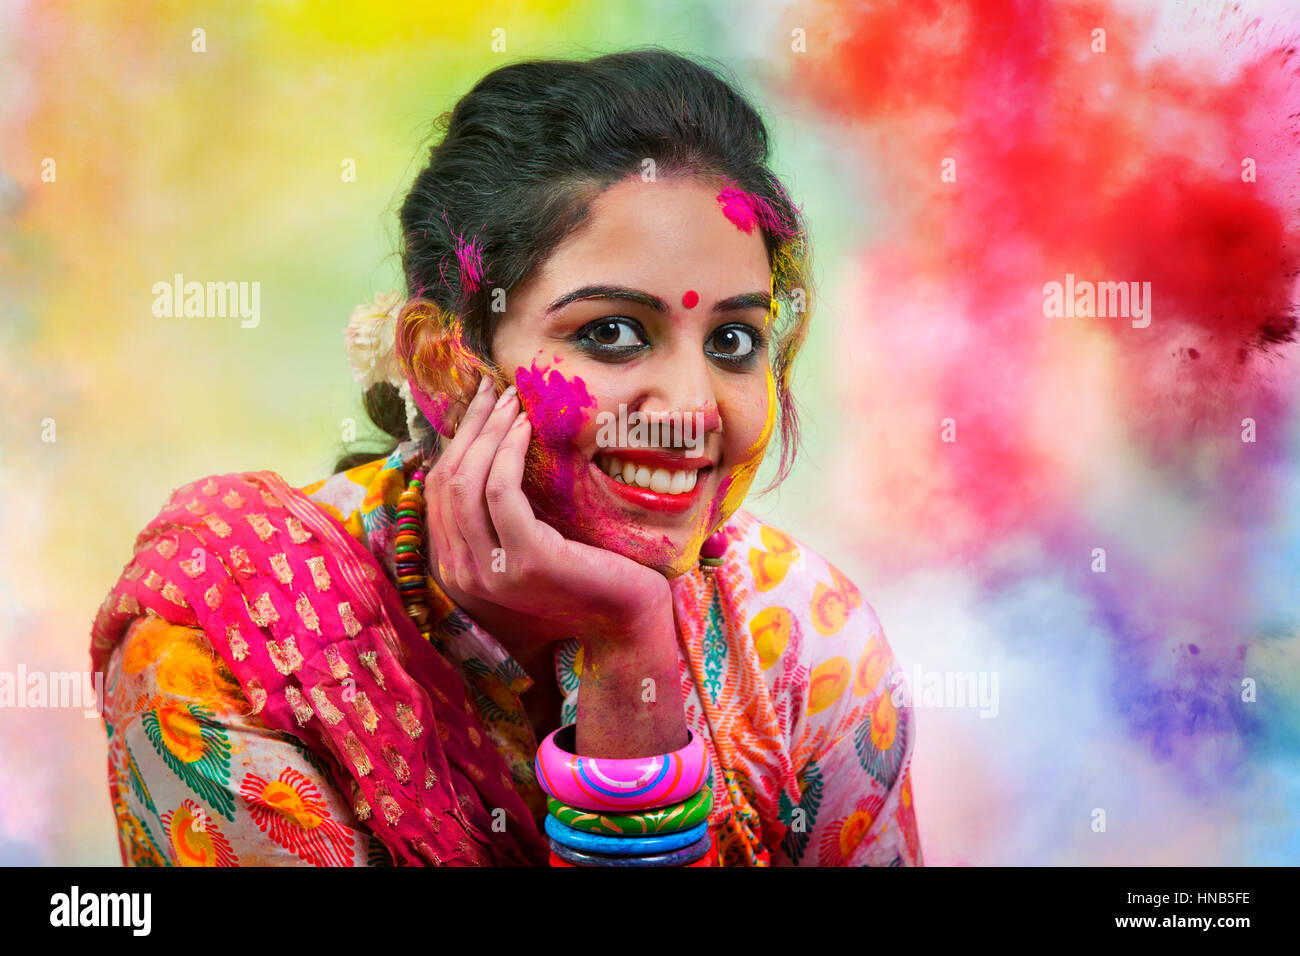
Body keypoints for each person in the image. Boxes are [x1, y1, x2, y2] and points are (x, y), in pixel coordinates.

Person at [89, 47, 922, 867]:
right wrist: (628, 651)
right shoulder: (232, 648)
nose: (692, 409)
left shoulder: (800, 639)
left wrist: (627, 642)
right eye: (613, 333)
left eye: (734, 340)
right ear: (442, 363)